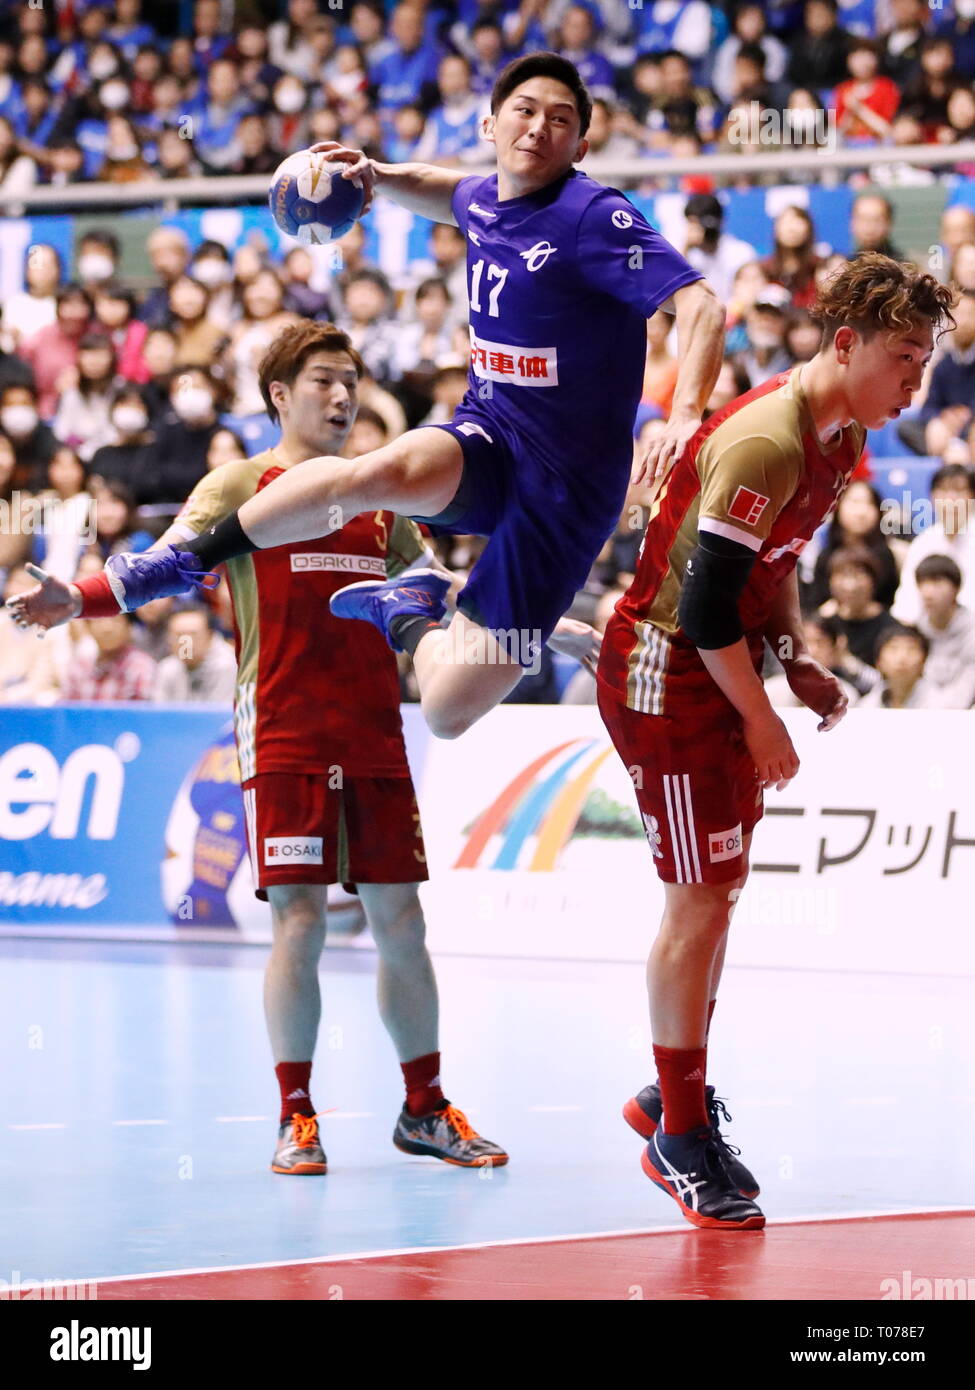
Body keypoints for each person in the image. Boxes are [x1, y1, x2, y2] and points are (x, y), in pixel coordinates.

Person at [29, 53, 721, 744]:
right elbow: (446, 191)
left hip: (568, 493)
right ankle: (175, 564)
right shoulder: (484, 199)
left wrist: (682, 416)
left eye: (560, 119)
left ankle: (410, 611)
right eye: (525, 110)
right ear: (490, 123)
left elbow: (700, 306)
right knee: (374, 474)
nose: (539, 127)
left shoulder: (592, 216)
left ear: (582, 146)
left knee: (447, 710)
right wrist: (378, 177)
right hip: (494, 433)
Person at [12, 320, 510, 1173]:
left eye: (350, 380)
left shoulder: (380, 494)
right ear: (280, 395)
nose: (342, 395)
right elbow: (162, 567)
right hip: (281, 725)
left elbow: (425, 590)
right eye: (322, 380)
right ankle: (296, 1114)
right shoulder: (238, 485)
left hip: (374, 729)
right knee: (300, 922)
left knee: (400, 919)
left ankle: (424, 1108)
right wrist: (82, 599)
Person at [595, 254, 952, 1230]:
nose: (916, 383)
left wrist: (795, 659)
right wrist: (761, 719)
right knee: (697, 900)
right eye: (904, 360)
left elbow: (776, 566)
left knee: (718, 897)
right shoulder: (765, 439)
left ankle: (671, 1097)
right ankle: (674, 1132)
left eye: (927, 363)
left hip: (724, 661)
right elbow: (707, 603)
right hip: (665, 667)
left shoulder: (844, 438)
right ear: (846, 345)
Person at [153, 603, 237, 703]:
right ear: (169, 639)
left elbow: (221, 715)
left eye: (193, 635)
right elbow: (159, 713)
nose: (186, 643)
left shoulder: (228, 665)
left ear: (210, 636)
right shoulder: (167, 668)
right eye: (179, 635)